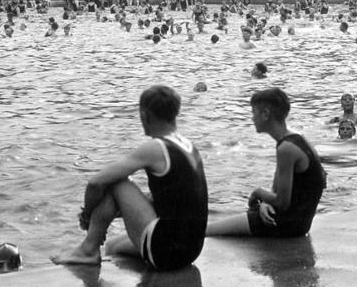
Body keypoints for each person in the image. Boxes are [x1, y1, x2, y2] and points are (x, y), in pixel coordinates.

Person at [51, 84, 208, 270]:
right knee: (112, 246)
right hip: (190, 250)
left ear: (145, 115)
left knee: (117, 183)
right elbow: (174, 200)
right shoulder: (189, 146)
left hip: (165, 252)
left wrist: (87, 216)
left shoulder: (157, 147)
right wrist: (116, 212)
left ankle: (87, 251)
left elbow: (95, 182)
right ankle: (90, 249)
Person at [206, 87, 326, 238]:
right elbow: (278, 192)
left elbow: (282, 202)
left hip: (286, 225)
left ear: (265, 114)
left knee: (207, 231)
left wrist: (257, 192)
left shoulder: (286, 148)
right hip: (297, 222)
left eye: (253, 112)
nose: (252, 118)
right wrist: (265, 203)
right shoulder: (294, 139)